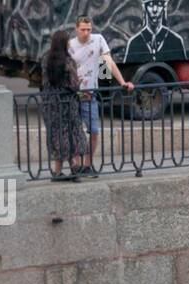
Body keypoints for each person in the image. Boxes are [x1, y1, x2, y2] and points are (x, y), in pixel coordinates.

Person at [69, 16, 134, 177]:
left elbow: (108, 62)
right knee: (74, 130)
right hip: (72, 94)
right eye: (83, 29)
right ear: (76, 29)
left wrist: (122, 81)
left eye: (89, 29)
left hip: (89, 94)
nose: (86, 33)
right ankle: (75, 165)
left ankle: (87, 164)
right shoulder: (70, 45)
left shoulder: (98, 39)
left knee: (94, 131)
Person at [41, 31, 90, 181]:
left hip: (51, 104)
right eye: (68, 41)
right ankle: (74, 170)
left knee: (57, 136)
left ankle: (57, 172)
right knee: (71, 135)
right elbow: (73, 85)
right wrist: (80, 80)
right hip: (68, 104)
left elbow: (44, 83)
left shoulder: (45, 59)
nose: (70, 43)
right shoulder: (68, 62)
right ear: (64, 43)